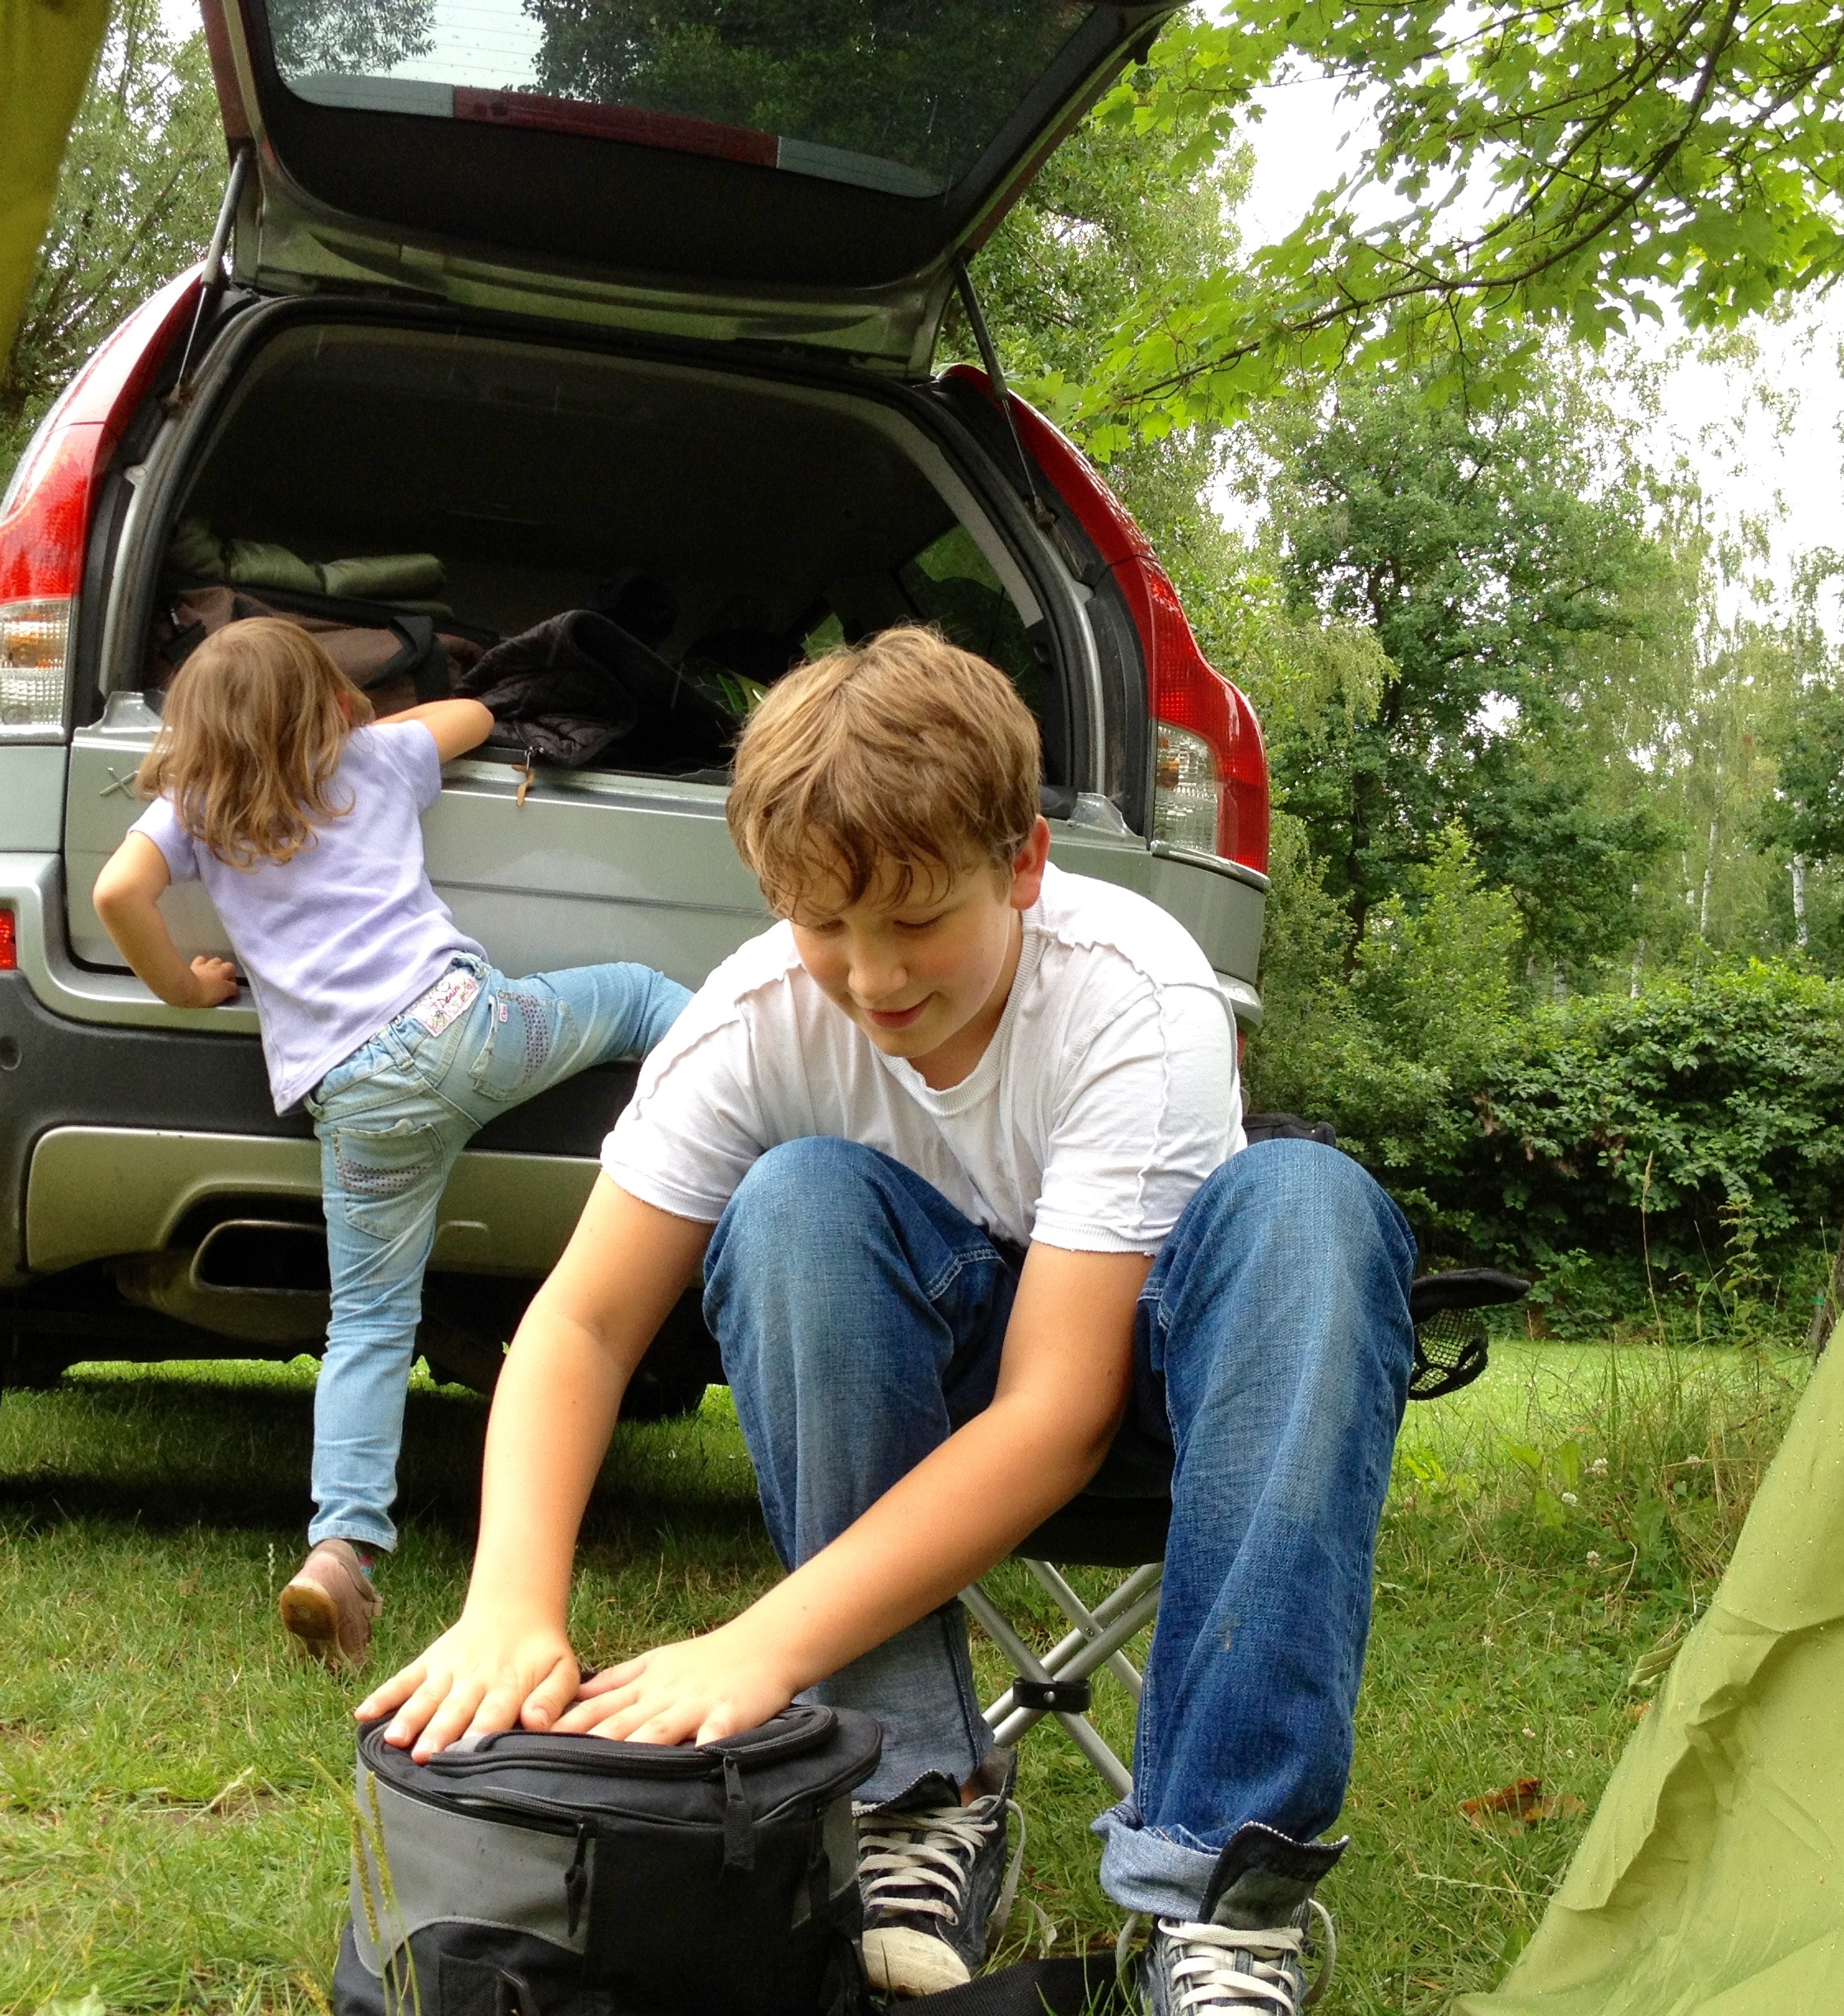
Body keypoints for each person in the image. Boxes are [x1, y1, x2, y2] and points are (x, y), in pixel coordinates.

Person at [357, 628, 1416, 2012]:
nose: (869, 977)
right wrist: (509, 1597)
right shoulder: (755, 1016)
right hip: (944, 1386)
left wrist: (760, 1646)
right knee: (792, 1197)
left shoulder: (1129, 992)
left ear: (1021, 863)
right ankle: (913, 1795)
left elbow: (1057, 1410)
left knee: (1310, 1202)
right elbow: (581, 1322)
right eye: (820, 923)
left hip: (1176, 1392)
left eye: (915, 918)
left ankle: (1215, 1888)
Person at [91, 618, 690, 1670]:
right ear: (327, 704)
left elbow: (116, 893)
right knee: (641, 1000)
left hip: (356, 1098)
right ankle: (771, 1086)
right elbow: (477, 714)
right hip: (467, 1034)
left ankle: (342, 1552)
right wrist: (376, 712)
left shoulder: (191, 808)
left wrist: (184, 986)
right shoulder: (373, 756)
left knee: (369, 1320)